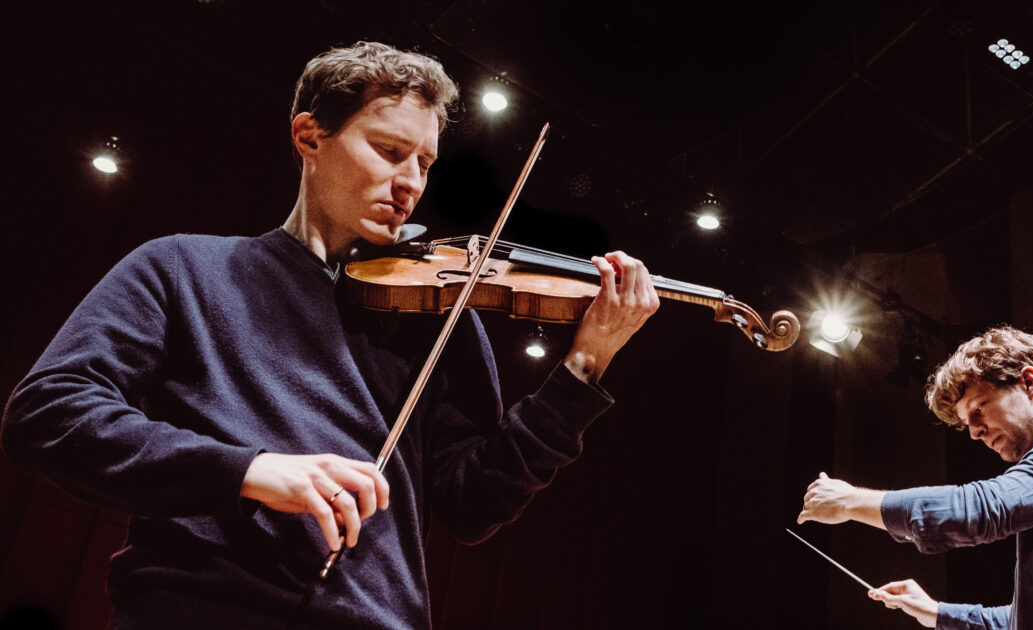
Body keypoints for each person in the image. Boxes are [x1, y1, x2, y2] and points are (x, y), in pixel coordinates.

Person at [1, 42, 659, 629]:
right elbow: (48, 413)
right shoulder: (183, 268)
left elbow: (471, 502)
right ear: (309, 137)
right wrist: (249, 470)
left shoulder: (438, 317)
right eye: (390, 150)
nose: (410, 184)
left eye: (425, 162)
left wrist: (585, 364)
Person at [796, 325, 1033, 629]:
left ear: (1030, 382)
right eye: (967, 423)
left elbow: (981, 509)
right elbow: (1028, 621)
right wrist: (935, 612)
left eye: (980, 407)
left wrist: (850, 501)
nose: (976, 431)